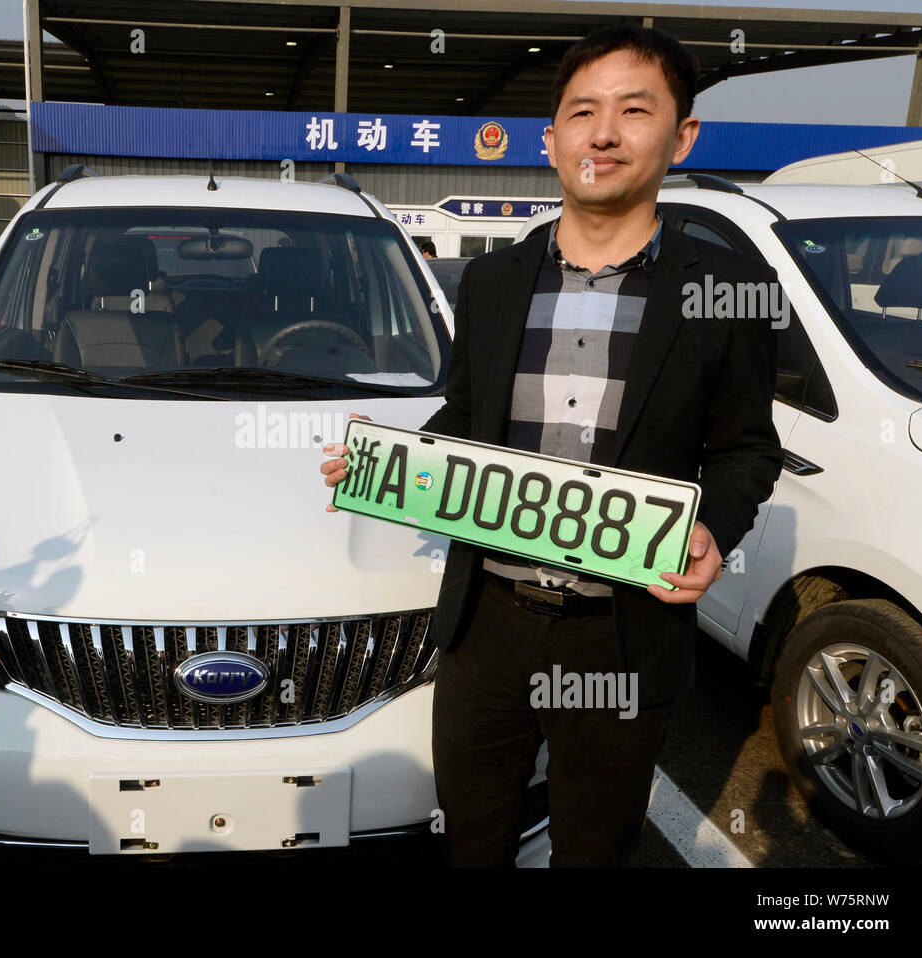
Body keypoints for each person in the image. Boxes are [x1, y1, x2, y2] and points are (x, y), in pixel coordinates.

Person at [319, 23, 784, 867]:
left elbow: (749, 449)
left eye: (633, 110)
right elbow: (465, 420)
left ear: (681, 136)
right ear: (552, 139)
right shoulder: (494, 283)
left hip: (620, 627)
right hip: (485, 624)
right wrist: (395, 468)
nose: (603, 134)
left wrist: (713, 526)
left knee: (594, 847)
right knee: (474, 839)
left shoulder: (726, 292)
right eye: (582, 112)